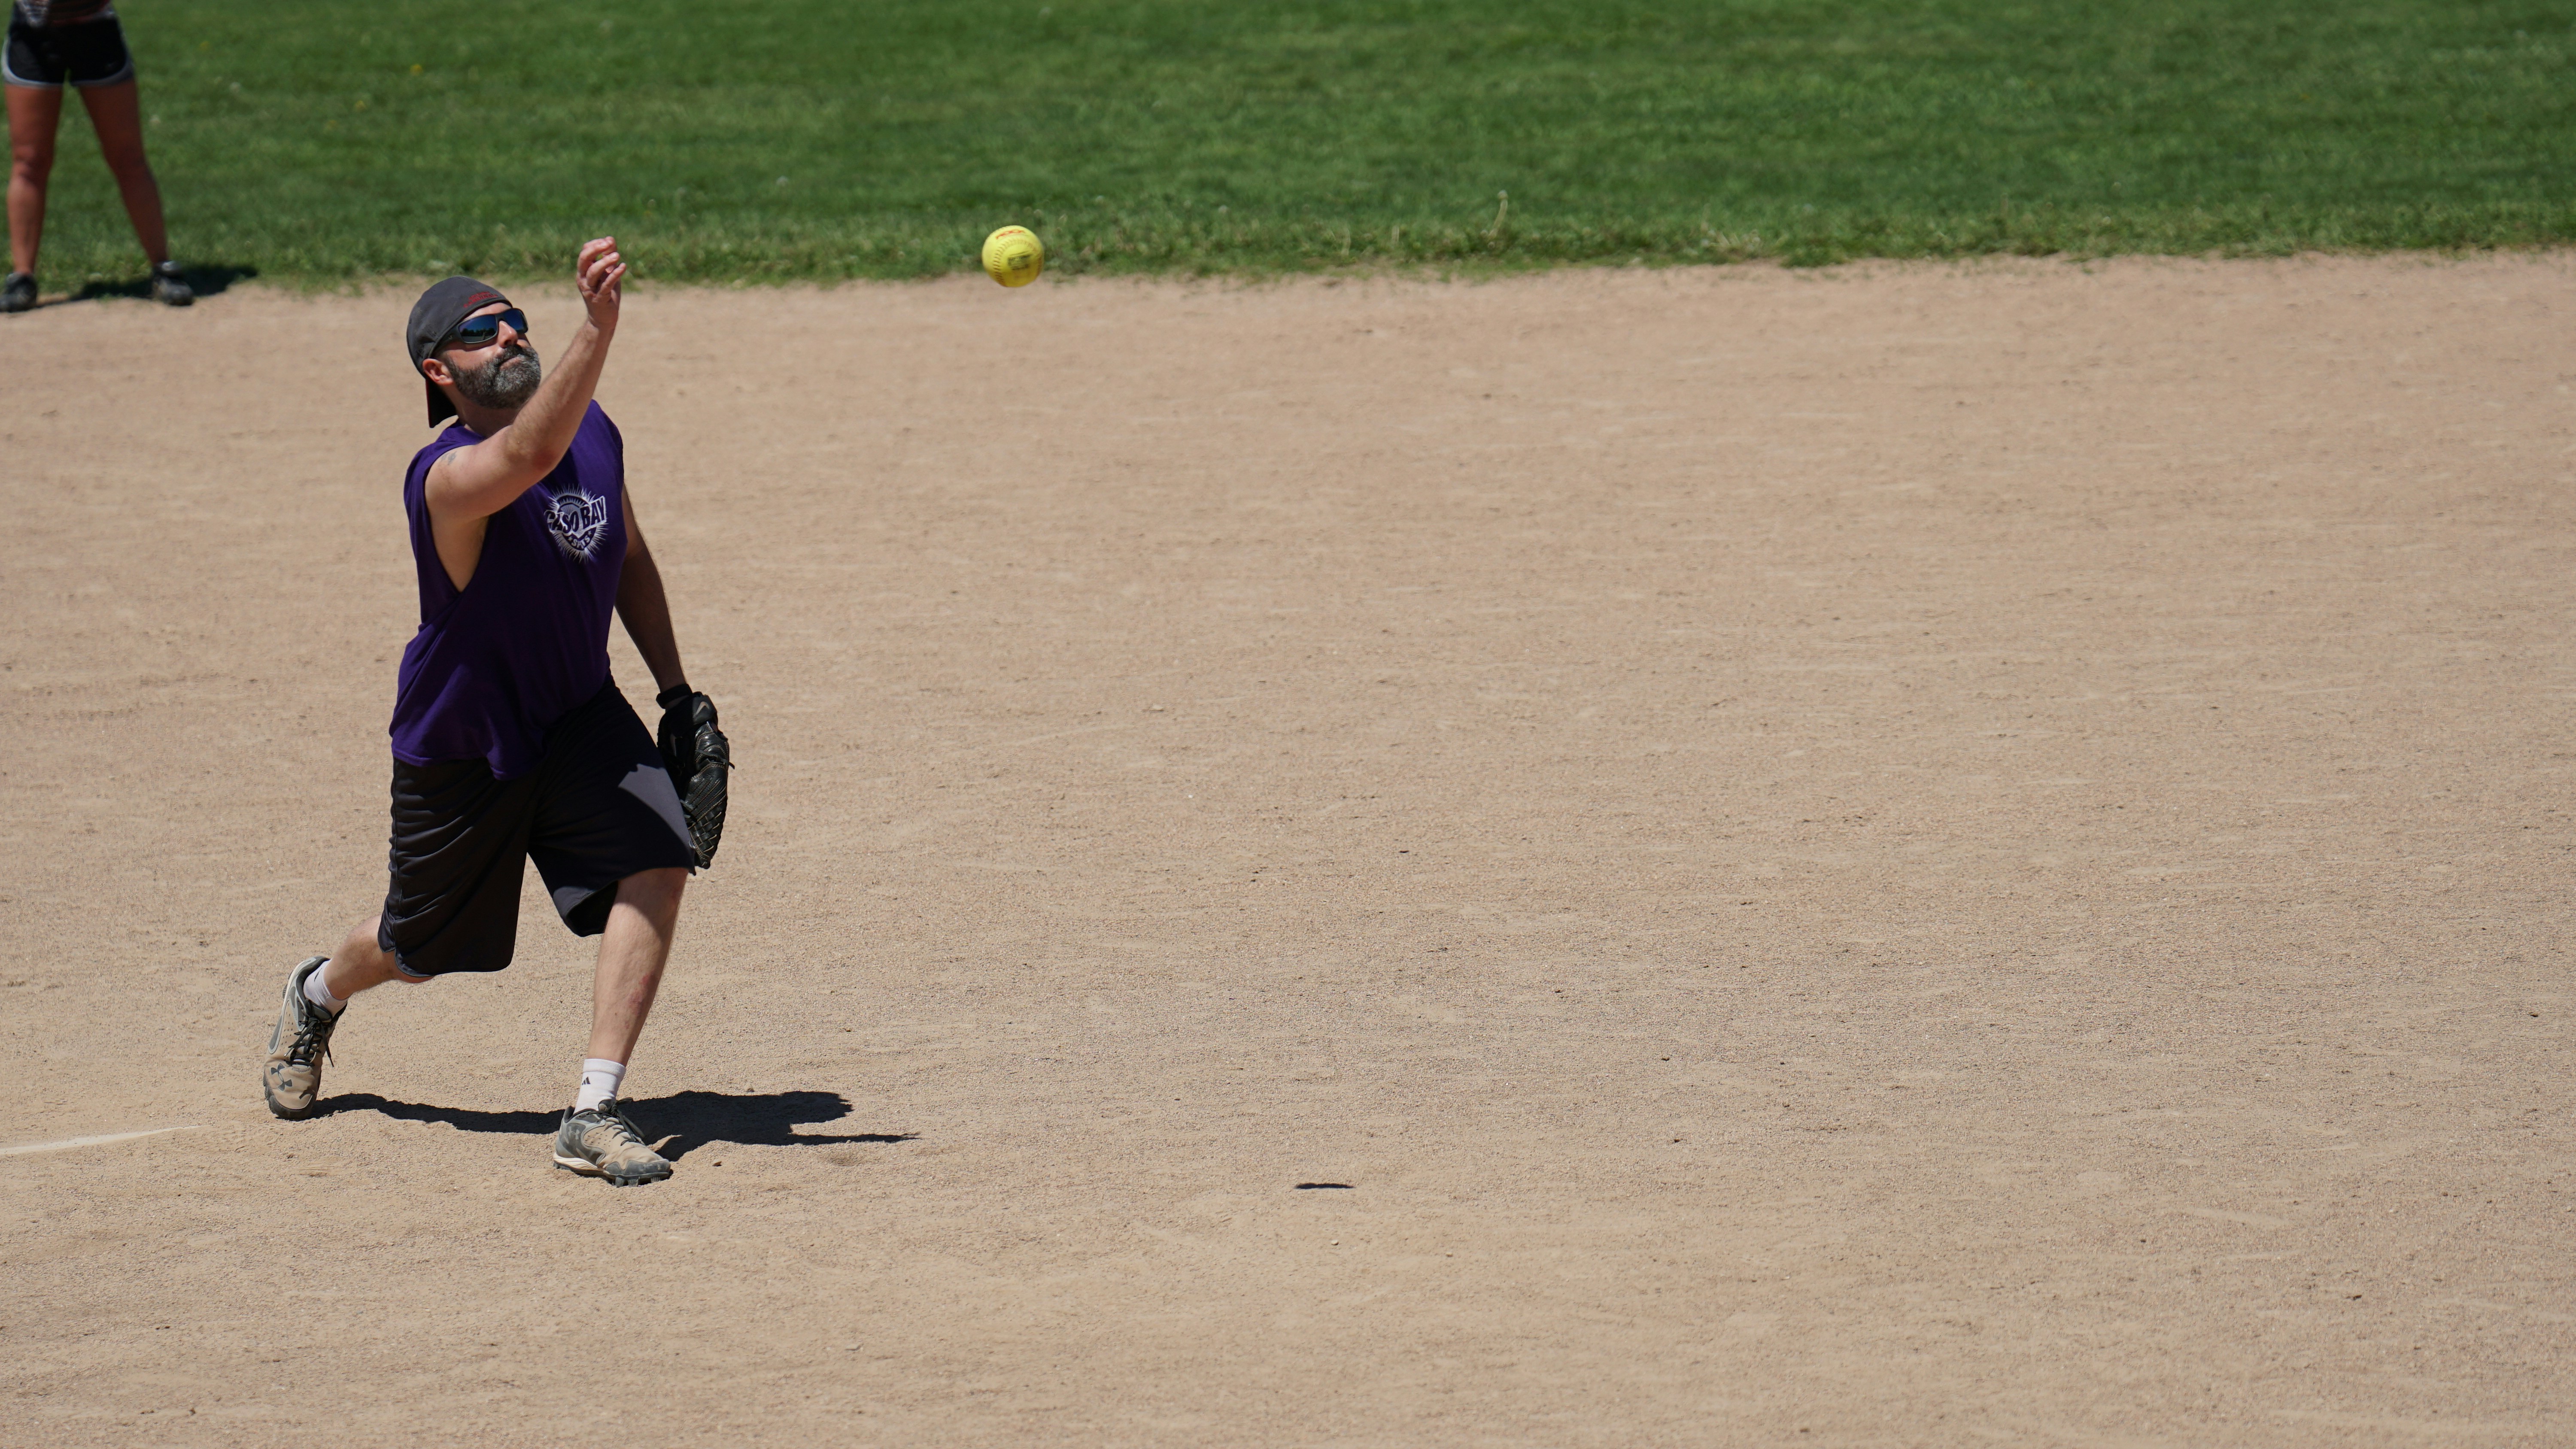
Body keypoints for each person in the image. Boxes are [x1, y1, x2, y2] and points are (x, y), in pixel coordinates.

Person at [262, 240, 714, 1187]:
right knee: (413, 952)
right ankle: (319, 989)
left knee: (659, 860)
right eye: (480, 331)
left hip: (580, 711)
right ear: (440, 371)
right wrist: (600, 325)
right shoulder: (448, 476)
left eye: (515, 319)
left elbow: (625, 552)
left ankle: (592, 1108)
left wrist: (674, 690)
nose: (509, 333)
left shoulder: (597, 431)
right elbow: (530, 451)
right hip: (470, 741)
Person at [3, 0, 187, 311]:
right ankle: (23, 278)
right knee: (29, 161)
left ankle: (164, 269)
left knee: (128, 158)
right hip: (33, 35)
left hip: (96, 29)